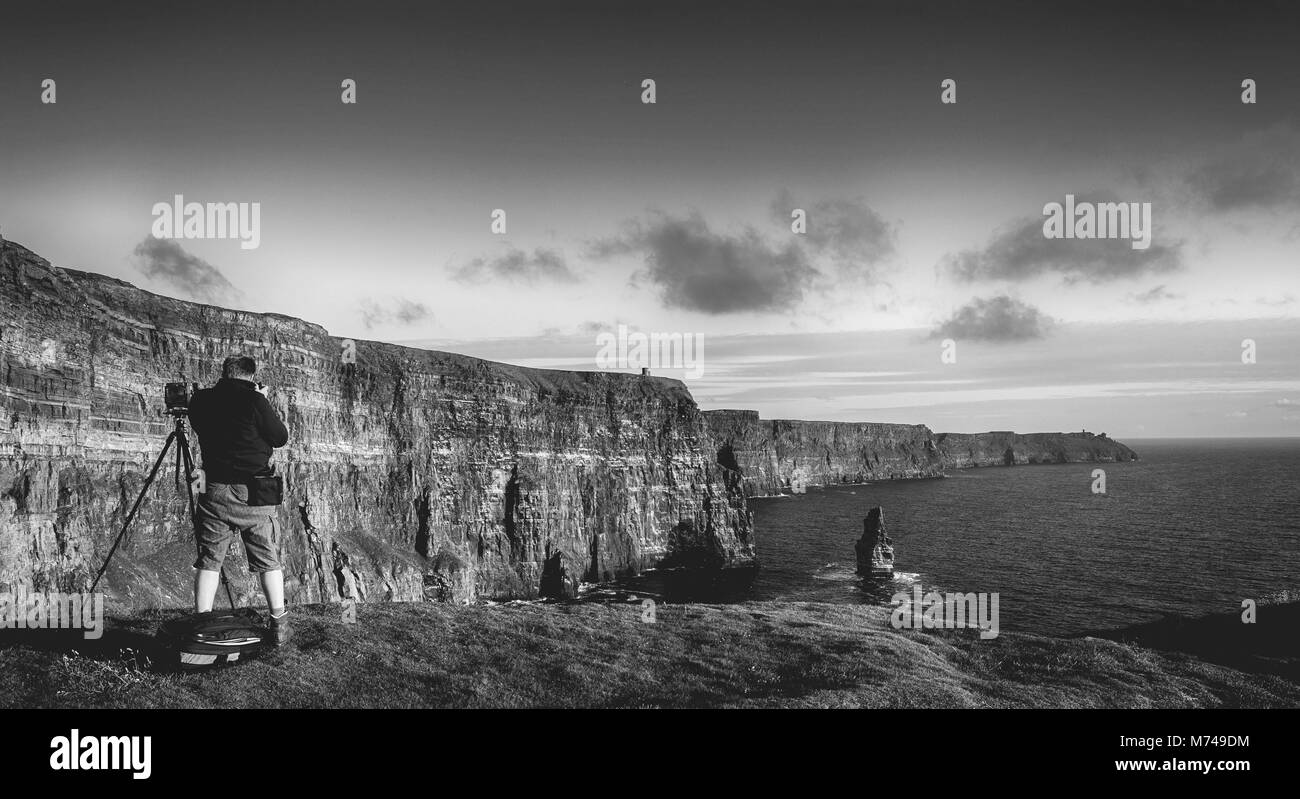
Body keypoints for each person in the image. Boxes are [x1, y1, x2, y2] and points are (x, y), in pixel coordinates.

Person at [188, 356, 293, 645]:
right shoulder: (255, 401)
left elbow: (198, 423)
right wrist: (260, 399)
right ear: (251, 376)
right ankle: (279, 626)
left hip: (214, 491)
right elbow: (279, 436)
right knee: (267, 559)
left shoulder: (202, 400)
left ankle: (201, 626)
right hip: (254, 495)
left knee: (209, 559)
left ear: (225, 373)